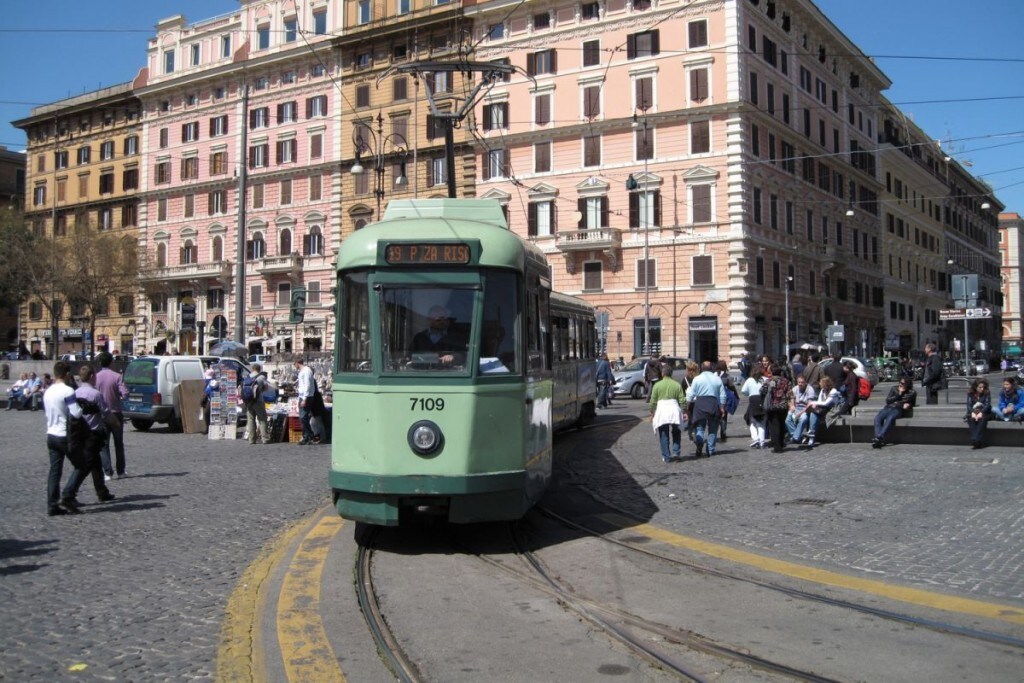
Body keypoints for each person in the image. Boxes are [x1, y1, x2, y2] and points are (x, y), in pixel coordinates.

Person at [61, 365, 116, 512]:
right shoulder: (95, 394)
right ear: (92, 376)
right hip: (92, 434)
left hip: (78, 434)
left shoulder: (75, 393)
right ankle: (68, 494)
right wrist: (115, 423)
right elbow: (105, 413)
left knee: (96, 463)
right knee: (85, 466)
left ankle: (102, 491)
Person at [43, 362, 79, 516]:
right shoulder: (68, 390)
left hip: (51, 434)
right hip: (64, 435)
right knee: (82, 464)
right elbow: (76, 413)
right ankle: (67, 495)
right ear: (67, 374)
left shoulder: (48, 391)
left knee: (54, 471)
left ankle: (52, 505)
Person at [94, 351, 129, 479]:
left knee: (104, 444)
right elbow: (124, 393)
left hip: (102, 414)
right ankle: (121, 471)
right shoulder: (117, 376)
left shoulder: (96, 377)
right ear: (111, 362)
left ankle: (107, 472)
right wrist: (118, 397)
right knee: (119, 443)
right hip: (116, 413)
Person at [686, 360, 726, 458]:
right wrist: (722, 407)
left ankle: (699, 444)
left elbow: (690, 394)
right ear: (712, 368)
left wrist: (686, 407)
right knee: (713, 429)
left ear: (701, 368)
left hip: (700, 405)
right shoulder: (717, 379)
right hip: (713, 404)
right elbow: (723, 395)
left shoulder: (697, 379)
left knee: (700, 428)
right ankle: (710, 450)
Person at [649, 362, 686, 463]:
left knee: (664, 434)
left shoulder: (657, 385)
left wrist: (652, 412)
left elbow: (653, 401)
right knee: (676, 432)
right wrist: (685, 411)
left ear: (662, 373)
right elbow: (682, 399)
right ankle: (676, 453)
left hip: (662, 410)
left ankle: (666, 456)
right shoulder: (677, 385)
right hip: (674, 409)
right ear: (671, 374)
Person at [871, 377, 917, 448]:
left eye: (902, 383)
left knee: (890, 418)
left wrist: (909, 405)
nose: (900, 384)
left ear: (907, 384)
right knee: (877, 418)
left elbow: (913, 403)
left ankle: (879, 437)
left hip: (898, 409)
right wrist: (899, 394)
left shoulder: (912, 392)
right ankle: (879, 439)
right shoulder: (894, 388)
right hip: (888, 407)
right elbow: (888, 401)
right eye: (900, 382)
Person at [760, 364, 791, 453]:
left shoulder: (768, 381)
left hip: (772, 406)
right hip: (783, 406)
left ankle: (777, 447)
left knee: (774, 426)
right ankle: (781, 443)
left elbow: (762, 391)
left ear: (772, 372)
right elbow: (789, 393)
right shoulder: (786, 381)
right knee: (781, 424)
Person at [803, 376, 842, 447]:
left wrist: (812, 403)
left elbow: (826, 403)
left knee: (814, 413)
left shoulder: (833, 391)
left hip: (832, 410)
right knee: (813, 413)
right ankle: (811, 435)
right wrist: (815, 404)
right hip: (823, 409)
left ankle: (811, 434)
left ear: (826, 384)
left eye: (822, 384)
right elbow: (820, 401)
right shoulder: (822, 390)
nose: (820, 385)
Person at [294, 357, 320, 445]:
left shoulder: (306, 371)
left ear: (297, 363)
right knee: (302, 417)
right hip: (302, 396)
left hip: (307, 396)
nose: (294, 366)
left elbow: (308, 385)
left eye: (294, 364)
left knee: (303, 417)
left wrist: (304, 399)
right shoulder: (302, 371)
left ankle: (311, 435)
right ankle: (306, 437)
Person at [243, 364, 272, 444]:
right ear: (259, 370)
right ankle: (265, 438)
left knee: (251, 419)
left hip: (248, 401)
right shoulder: (261, 377)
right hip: (258, 400)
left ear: (252, 369)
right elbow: (266, 388)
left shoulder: (247, 377)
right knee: (262, 419)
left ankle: (251, 439)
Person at [740, 367, 767, 449]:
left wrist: (749, 393)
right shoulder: (765, 379)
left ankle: (755, 438)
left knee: (752, 422)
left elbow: (743, 391)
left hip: (752, 400)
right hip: (762, 400)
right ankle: (762, 441)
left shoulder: (749, 380)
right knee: (761, 423)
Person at [785, 374, 817, 446]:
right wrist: (792, 406)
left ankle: (795, 438)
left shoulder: (810, 389)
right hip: (796, 408)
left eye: (802, 382)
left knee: (803, 418)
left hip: (805, 409)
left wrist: (800, 413)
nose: (800, 384)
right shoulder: (795, 388)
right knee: (787, 420)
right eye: (799, 382)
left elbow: (809, 405)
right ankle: (797, 436)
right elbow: (791, 398)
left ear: (805, 382)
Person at [965, 379, 993, 449]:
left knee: (982, 419)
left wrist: (980, 412)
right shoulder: (970, 394)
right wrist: (974, 413)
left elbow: (987, 406)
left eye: (983, 387)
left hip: (985, 413)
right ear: (975, 387)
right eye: (980, 387)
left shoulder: (987, 393)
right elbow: (969, 406)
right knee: (971, 419)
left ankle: (975, 438)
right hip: (973, 412)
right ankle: (977, 441)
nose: (982, 389)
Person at [716, 360, 736, 442]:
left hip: (715, 398)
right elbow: (732, 387)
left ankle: (714, 431)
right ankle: (723, 432)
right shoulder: (727, 376)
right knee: (724, 416)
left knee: (716, 416)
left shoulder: (714, 376)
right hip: (724, 398)